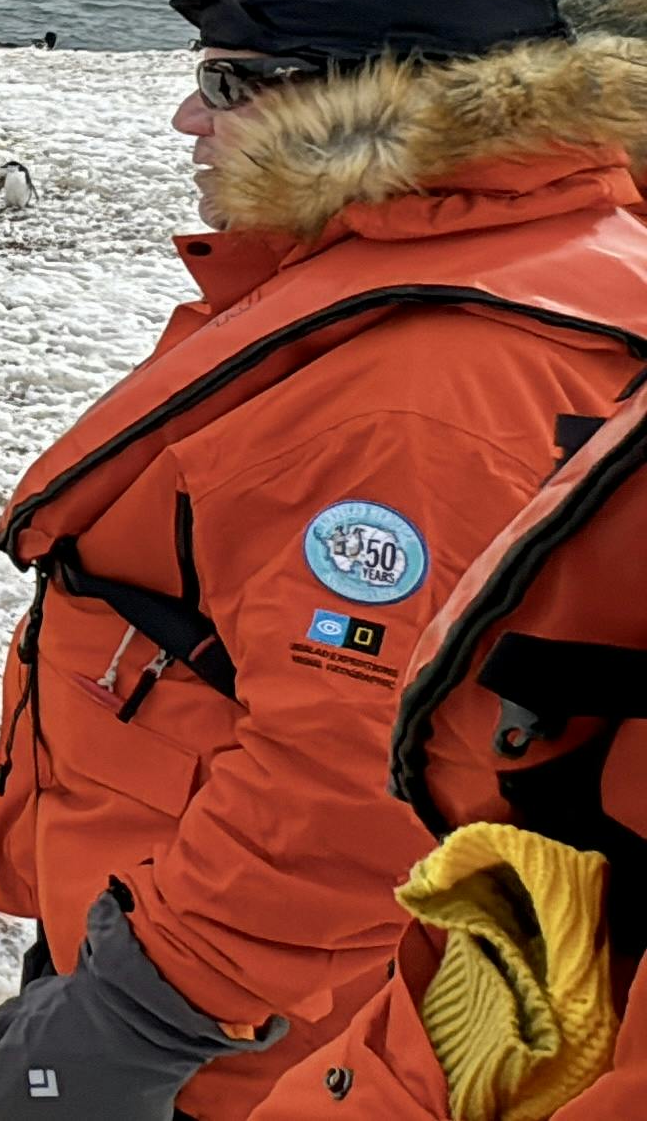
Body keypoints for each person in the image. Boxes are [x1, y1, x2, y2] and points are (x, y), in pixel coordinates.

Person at [0, 0, 647, 1121]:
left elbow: (348, 765)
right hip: (227, 945)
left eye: (227, 84)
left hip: (265, 1028)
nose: (189, 120)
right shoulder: (556, 252)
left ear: (370, 108)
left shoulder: (423, 390)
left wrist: (135, 1019)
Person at [243, 384, 647, 1121]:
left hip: (242, 1002)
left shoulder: (418, 400)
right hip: (423, 1004)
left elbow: (329, 758)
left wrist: (148, 995)